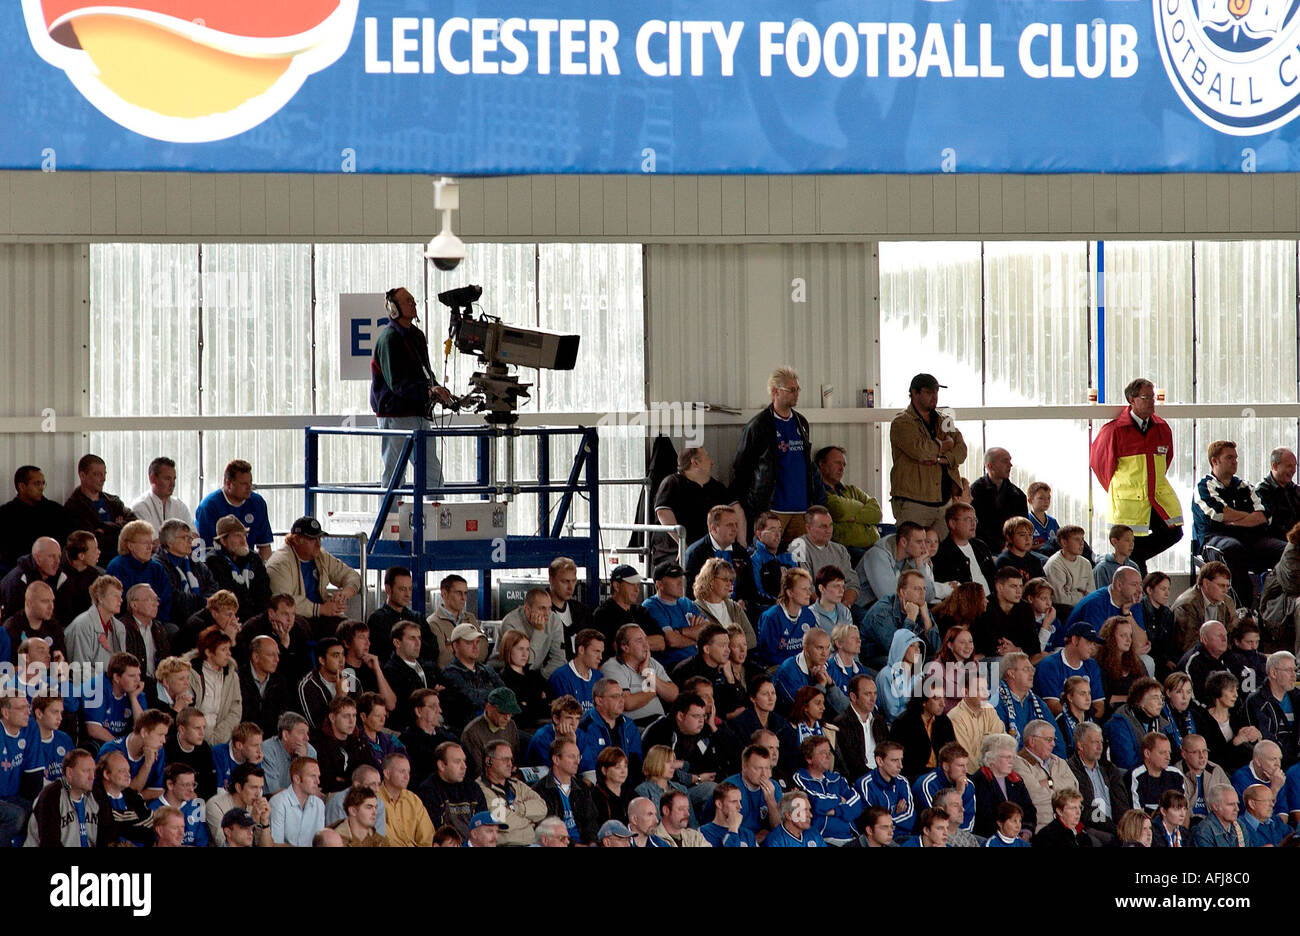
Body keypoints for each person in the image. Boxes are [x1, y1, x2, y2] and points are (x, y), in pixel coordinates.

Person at [1089, 377, 1184, 573]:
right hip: (1128, 502)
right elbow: (1100, 465)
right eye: (1145, 397)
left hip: (1155, 497)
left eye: (1152, 397)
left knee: (1174, 532)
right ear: (1132, 400)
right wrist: (1122, 487)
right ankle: (1135, 583)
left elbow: (1166, 460)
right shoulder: (1114, 431)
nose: (1151, 402)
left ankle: (1132, 557)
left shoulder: (1161, 427)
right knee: (1133, 551)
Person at [731, 366, 825, 550]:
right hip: (773, 508)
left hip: (800, 508)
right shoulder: (759, 426)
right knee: (768, 557)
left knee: (798, 559)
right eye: (791, 390)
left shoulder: (801, 422)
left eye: (798, 389)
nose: (796, 394)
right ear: (775, 392)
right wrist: (753, 507)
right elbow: (741, 468)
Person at [370, 285, 452, 492]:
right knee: (395, 474)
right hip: (396, 414)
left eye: (413, 300)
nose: (413, 304)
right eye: (407, 301)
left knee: (431, 472)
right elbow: (396, 383)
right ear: (393, 308)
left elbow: (426, 371)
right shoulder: (389, 339)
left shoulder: (416, 335)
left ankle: (436, 520)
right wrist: (428, 392)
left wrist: (437, 389)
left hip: (419, 412)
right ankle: (389, 521)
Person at [1193, 439, 1285, 608]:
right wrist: (1246, 517)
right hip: (1215, 539)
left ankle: (1276, 604)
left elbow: (1264, 515)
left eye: (1236, 458)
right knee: (1233, 550)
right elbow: (1219, 513)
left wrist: (1234, 522)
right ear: (1215, 461)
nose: (1235, 462)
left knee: (1287, 549)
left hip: (1250, 539)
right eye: (1229, 458)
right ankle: (1242, 609)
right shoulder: (1204, 487)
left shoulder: (1244, 486)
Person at [890, 373, 967, 535]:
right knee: (911, 550)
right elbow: (921, 450)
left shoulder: (944, 421)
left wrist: (941, 459)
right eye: (929, 392)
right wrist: (944, 445)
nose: (935, 397)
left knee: (940, 554)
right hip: (913, 502)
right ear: (915, 393)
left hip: (944, 502)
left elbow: (961, 450)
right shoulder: (902, 422)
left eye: (937, 392)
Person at [265, 516, 360, 640]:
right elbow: (282, 601)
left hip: (321, 615)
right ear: (297, 539)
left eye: (319, 538)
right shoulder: (280, 562)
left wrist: (345, 593)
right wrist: (320, 609)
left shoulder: (321, 556)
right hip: (295, 617)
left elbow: (351, 575)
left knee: (351, 630)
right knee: (302, 629)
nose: (318, 543)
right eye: (312, 539)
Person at [652, 446, 741, 565]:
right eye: (707, 458)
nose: (712, 462)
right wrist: (682, 544)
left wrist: (741, 543)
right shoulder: (672, 482)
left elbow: (737, 510)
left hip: (709, 553)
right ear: (695, 462)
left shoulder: (716, 487)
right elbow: (663, 512)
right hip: (673, 553)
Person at [599, 623, 677, 728]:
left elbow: (673, 694)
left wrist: (649, 674)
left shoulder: (651, 663)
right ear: (625, 647)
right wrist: (654, 690)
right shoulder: (612, 666)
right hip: (634, 726)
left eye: (645, 639)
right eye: (639, 641)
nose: (646, 645)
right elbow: (627, 703)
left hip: (659, 722)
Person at [194, 459, 273, 560]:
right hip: (217, 565)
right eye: (243, 484)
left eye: (250, 482)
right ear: (228, 483)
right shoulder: (209, 506)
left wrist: (264, 570)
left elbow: (265, 546)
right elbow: (206, 551)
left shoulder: (257, 503)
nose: (249, 487)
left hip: (247, 566)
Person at [862, 569, 939, 671]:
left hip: (908, 656)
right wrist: (910, 618)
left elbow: (938, 649)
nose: (922, 593)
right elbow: (898, 651)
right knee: (907, 666)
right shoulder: (881, 612)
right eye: (917, 589)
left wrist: (926, 618)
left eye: (924, 588)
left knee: (939, 664)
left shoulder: (920, 606)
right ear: (902, 592)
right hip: (877, 657)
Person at [64, 454, 137, 558]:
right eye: (97, 474)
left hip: (122, 558)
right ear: (82, 476)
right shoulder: (74, 506)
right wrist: (119, 527)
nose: (103, 479)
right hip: (96, 561)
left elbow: (134, 524)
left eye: (104, 474)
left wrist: (105, 528)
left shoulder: (114, 501)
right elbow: (91, 540)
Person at [1012, 718, 1078, 833]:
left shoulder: (1059, 762)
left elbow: (1075, 789)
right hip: (1040, 829)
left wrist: (1049, 782)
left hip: (1068, 828)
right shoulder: (1018, 763)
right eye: (1048, 740)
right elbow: (1033, 795)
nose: (1053, 744)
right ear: (1032, 741)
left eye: (1054, 739)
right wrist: (1062, 793)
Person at [0, 466, 71, 571]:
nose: (41, 487)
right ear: (22, 487)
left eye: (43, 483)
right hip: (20, 569)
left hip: (55, 567)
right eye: (37, 483)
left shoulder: (55, 511)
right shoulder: (6, 514)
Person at [440, 622, 505, 734]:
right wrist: (492, 693)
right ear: (455, 645)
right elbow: (473, 700)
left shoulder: (487, 669)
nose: (475, 647)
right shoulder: (450, 674)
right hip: (467, 731)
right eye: (469, 642)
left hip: (495, 726)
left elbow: (505, 695)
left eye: (477, 642)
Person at [25, 748, 98, 847]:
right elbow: (49, 843)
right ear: (69, 773)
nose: (92, 777)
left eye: (93, 771)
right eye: (86, 771)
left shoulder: (96, 796)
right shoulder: (51, 796)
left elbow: (106, 836)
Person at [204, 515, 271, 624]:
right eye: (237, 536)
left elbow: (265, 591)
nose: (243, 540)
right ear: (223, 540)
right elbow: (227, 595)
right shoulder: (213, 561)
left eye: (244, 535)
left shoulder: (253, 558)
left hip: (258, 618)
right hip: (232, 619)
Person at [642, 560, 708, 670]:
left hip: (695, 660)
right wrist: (696, 637)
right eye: (674, 578)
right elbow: (672, 641)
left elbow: (708, 632)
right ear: (659, 585)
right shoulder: (651, 606)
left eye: (680, 577)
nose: (680, 582)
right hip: (671, 666)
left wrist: (680, 632)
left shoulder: (685, 602)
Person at [1066, 721, 1126, 839]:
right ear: (1080, 745)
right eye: (1094, 742)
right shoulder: (1070, 769)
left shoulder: (1109, 769)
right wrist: (1114, 829)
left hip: (1115, 826)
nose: (1100, 747)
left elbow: (1121, 803)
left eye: (1101, 742)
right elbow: (1086, 809)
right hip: (1089, 826)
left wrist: (1124, 825)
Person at [792, 506, 863, 606]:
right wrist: (827, 609)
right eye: (823, 527)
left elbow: (852, 583)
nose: (828, 530)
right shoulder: (798, 548)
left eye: (830, 525)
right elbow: (806, 588)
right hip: (814, 608)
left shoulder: (840, 550)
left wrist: (846, 604)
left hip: (842, 606)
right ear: (808, 528)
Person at [415, 741, 487, 839]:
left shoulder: (473, 788)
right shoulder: (428, 791)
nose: (464, 767)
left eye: (464, 761)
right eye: (457, 762)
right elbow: (434, 834)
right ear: (441, 765)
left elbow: (484, 824)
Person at [817, 445, 881, 553]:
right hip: (846, 551)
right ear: (822, 464)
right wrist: (863, 510)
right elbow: (839, 508)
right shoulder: (820, 493)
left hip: (874, 546)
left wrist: (854, 517)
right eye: (837, 463)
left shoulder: (852, 490)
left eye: (843, 465)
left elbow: (877, 513)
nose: (842, 468)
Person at [102, 522, 172, 620]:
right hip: (126, 624)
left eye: (151, 543)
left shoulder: (157, 568)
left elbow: (165, 601)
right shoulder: (117, 567)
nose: (149, 548)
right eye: (145, 543)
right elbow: (119, 604)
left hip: (157, 623)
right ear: (130, 546)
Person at [576, 678, 643, 781]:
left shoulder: (629, 725)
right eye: (615, 697)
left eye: (622, 696)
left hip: (625, 787)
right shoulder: (585, 726)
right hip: (599, 788)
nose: (621, 700)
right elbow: (589, 769)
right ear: (599, 700)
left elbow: (636, 764)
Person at [683, 505, 753, 604]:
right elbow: (690, 594)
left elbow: (750, 589)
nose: (735, 529)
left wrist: (743, 601)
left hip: (737, 610)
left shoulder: (741, 552)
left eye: (736, 524)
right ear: (713, 528)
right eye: (729, 525)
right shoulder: (695, 553)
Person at [536, 737, 599, 845]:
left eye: (578, 757)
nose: (577, 761)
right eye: (571, 757)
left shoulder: (582, 788)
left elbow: (591, 821)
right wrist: (574, 845)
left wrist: (592, 842)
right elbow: (547, 828)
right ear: (556, 759)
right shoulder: (540, 790)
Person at [1107, 677, 1180, 770]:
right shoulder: (1120, 723)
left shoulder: (1163, 724)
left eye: (1161, 698)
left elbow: (1171, 758)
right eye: (1155, 698)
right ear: (1139, 702)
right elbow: (1126, 762)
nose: (1160, 703)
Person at [773, 628, 850, 717]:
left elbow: (846, 709)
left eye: (827, 648)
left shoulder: (828, 667)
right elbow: (803, 712)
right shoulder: (788, 671)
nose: (824, 654)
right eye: (820, 648)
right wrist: (820, 684)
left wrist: (831, 685)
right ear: (805, 648)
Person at [1191, 671, 1258, 773]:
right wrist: (1235, 742)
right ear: (1218, 691)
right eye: (1231, 691)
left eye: (1236, 690)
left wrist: (1257, 737)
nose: (1236, 695)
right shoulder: (1203, 721)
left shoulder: (1238, 717)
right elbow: (1212, 757)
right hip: (1218, 773)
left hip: (1243, 770)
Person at [971, 733, 1036, 838]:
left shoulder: (1016, 779)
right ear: (991, 758)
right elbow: (984, 818)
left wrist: (1026, 832)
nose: (1011, 762)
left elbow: (1029, 809)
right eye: (1007, 757)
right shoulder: (980, 780)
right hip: (990, 838)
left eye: (1013, 757)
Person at [155, 520, 216, 630]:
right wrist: (204, 602)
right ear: (169, 542)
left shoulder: (195, 562)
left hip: (202, 613)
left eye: (190, 538)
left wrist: (208, 601)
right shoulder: (158, 564)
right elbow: (173, 597)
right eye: (185, 538)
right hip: (174, 618)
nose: (190, 542)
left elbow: (212, 585)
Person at [757, 566, 822, 668]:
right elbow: (768, 657)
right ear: (790, 592)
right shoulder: (771, 617)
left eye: (809, 589)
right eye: (804, 589)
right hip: (778, 668)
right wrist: (797, 665)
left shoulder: (808, 615)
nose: (809, 593)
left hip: (803, 666)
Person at [381, 622, 439, 733]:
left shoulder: (427, 667)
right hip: (408, 731)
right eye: (412, 638)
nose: (418, 643)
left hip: (431, 725)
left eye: (419, 638)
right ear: (397, 642)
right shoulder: (391, 671)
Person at [187, 626, 242, 745]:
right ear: (208, 652)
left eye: (229, 649)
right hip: (194, 736)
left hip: (223, 737)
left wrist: (220, 735)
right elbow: (188, 709)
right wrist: (203, 733)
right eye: (223, 649)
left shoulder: (232, 677)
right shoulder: (190, 674)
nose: (229, 653)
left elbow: (235, 710)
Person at [1245, 650, 1300, 767]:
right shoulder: (1257, 701)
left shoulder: (1297, 697)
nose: (1293, 675)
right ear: (1273, 673)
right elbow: (1264, 739)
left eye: (1294, 670)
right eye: (1288, 670)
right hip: (1273, 764)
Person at [81, 651, 148, 746]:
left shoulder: (136, 691)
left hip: (122, 743)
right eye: (132, 676)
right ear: (116, 677)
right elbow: (94, 729)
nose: (137, 680)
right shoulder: (96, 687)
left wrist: (133, 698)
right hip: (101, 744)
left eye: (139, 675)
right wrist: (120, 746)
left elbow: (143, 729)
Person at [1171, 561, 1238, 655]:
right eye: (1221, 585)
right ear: (1206, 583)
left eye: (1227, 586)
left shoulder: (1227, 601)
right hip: (1194, 656)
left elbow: (1234, 633)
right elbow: (1188, 645)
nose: (1225, 591)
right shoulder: (1187, 605)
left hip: (1218, 653)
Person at [969, 447, 1028, 554]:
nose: (1010, 465)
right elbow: (975, 527)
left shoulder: (1018, 495)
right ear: (989, 466)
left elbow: (1023, 527)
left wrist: (1013, 545)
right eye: (1005, 461)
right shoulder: (975, 492)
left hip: (1013, 548)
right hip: (983, 550)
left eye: (1010, 461)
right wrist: (1000, 546)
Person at [971, 567, 1038, 660]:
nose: (1019, 591)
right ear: (999, 587)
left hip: (1020, 656)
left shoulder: (1026, 608)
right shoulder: (984, 607)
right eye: (1014, 586)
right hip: (992, 658)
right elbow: (980, 644)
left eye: (1021, 586)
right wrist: (1000, 650)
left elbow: (1034, 645)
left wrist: (1016, 649)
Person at [891, 687, 958, 780]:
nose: (943, 704)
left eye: (944, 698)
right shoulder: (903, 724)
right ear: (924, 702)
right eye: (937, 699)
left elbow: (952, 751)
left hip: (942, 775)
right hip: (914, 777)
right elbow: (901, 762)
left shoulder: (944, 721)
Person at [693, 558, 757, 655]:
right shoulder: (696, 609)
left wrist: (725, 646)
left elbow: (752, 639)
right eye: (725, 580)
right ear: (711, 581)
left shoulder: (735, 608)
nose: (729, 584)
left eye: (731, 580)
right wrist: (735, 644)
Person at [90, 749, 153, 846]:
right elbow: (105, 832)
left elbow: (150, 827)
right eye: (122, 771)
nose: (128, 775)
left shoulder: (133, 797)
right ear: (107, 774)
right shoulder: (94, 797)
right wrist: (132, 826)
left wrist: (121, 826)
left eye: (128, 770)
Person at [832, 674, 888, 781]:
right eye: (867, 694)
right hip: (859, 779)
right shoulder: (841, 723)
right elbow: (851, 763)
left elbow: (887, 752)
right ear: (853, 697)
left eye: (875, 694)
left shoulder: (879, 721)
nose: (873, 699)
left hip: (882, 775)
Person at [856, 740, 914, 841]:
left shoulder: (902, 781)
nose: (901, 766)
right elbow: (872, 823)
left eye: (901, 760)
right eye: (894, 760)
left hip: (904, 837)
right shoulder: (865, 784)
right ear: (880, 761)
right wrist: (897, 815)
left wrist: (886, 820)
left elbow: (910, 818)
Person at [932, 503, 995, 595]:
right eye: (968, 520)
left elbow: (994, 576)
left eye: (975, 519)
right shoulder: (941, 553)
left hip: (991, 604)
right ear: (952, 524)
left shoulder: (981, 547)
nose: (973, 524)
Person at [204, 762, 271, 847]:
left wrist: (265, 822)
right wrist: (251, 820)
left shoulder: (254, 805)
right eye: (253, 787)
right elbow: (224, 845)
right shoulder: (216, 805)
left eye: (260, 788)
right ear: (238, 787)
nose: (258, 794)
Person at [427, 574, 486, 670]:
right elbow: (442, 658)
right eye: (459, 593)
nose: (463, 598)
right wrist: (470, 653)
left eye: (465, 593)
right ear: (444, 594)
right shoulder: (433, 623)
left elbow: (483, 649)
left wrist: (453, 648)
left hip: (475, 674)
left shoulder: (470, 618)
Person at [398, 690, 457, 788]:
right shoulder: (407, 741)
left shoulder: (449, 737)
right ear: (418, 711)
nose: (439, 710)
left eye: (439, 706)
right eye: (434, 707)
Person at [312, 695, 367, 796]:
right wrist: (351, 782)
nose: (352, 721)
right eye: (346, 716)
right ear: (332, 718)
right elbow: (326, 781)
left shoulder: (359, 740)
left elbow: (367, 771)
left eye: (354, 715)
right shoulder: (319, 742)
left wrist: (345, 781)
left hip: (356, 794)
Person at [0, 536, 64, 620]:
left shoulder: (60, 577)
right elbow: (12, 620)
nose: (57, 562)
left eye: (59, 557)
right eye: (51, 556)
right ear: (37, 558)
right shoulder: (17, 581)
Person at [2, 581, 65, 665]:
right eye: (45, 601)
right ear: (29, 603)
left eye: (52, 601)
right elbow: (6, 670)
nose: (51, 607)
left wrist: (60, 664)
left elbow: (63, 662)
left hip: (49, 677)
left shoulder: (54, 626)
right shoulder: (12, 628)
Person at [147, 762, 209, 847]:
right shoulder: (152, 810)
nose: (191, 789)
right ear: (170, 784)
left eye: (193, 784)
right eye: (186, 785)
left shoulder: (195, 807)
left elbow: (202, 842)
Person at [749, 511, 800, 611]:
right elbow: (756, 593)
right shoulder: (753, 558)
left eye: (779, 530)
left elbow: (798, 585)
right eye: (772, 530)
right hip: (767, 609)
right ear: (759, 534)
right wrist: (780, 602)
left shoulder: (788, 555)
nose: (778, 535)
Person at [1178, 733, 1230, 826]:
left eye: (1204, 751)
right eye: (1195, 752)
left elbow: (1229, 799)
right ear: (1184, 754)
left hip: (1216, 824)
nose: (1202, 756)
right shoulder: (1177, 773)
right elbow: (1179, 808)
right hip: (1190, 825)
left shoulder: (1215, 770)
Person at [547, 628, 605, 712]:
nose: (600, 657)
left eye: (601, 652)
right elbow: (566, 716)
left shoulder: (599, 677)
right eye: (596, 651)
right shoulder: (561, 677)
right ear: (581, 650)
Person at [164, 707, 217, 798]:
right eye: (197, 728)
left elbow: (210, 784)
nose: (202, 733)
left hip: (198, 801)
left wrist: (197, 796)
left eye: (204, 727)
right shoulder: (167, 747)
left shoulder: (204, 748)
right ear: (182, 730)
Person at [53, 530, 103, 626]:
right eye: (94, 550)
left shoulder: (95, 574)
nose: (99, 552)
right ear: (81, 556)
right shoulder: (58, 577)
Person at [1097, 616, 1145, 713]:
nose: (1129, 640)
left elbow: (1146, 686)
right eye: (1123, 635)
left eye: (1130, 635)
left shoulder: (1136, 662)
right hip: (1113, 713)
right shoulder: (1100, 664)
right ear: (1111, 637)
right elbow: (1105, 698)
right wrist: (1131, 699)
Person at [1127, 732, 1185, 812]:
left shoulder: (1176, 774)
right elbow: (1138, 816)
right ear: (1147, 753)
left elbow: (1183, 812)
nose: (1168, 758)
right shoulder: (1136, 775)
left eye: (1169, 753)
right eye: (1162, 753)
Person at [1179, 620, 1231, 706]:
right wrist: (1212, 716)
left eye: (1225, 635)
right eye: (1219, 635)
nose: (1224, 639)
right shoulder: (1192, 662)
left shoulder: (1228, 658)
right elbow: (1191, 699)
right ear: (1204, 639)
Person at [1044, 525, 1094, 610]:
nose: (1082, 543)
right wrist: (1082, 594)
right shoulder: (1055, 564)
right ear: (1064, 542)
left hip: (1085, 608)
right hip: (1063, 611)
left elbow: (1091, 595)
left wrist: (1072, 594)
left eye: (1082, 539)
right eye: (1077, 539)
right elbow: (1060, 599)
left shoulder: (1086, 563)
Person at [1140, 572, 1179, 678]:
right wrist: (1165, 661)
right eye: (1163, 589)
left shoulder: (1167, 613)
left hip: (1164, 661)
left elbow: (1170, 642)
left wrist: (1169, 659)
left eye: (1168, 589)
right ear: (1149, 590)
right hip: (1147, 658)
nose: (1167, 593)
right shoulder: (1139, 610)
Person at [1257, 447, 1300, 541]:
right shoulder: (1262, 491)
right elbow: (1272, 525)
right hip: (1276, 539)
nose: (1293, 470)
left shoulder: (1296, 490)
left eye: (1295, 466)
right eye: (1289, 466)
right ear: (1274, 466)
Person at [1230, 739, 1286, 806]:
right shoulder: (1241, 778)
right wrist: (1274, 789)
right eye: (1273, 759)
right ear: (1258, 761)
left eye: (1279, 759)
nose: (1278, 764)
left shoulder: (1278, 778)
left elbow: (1282, 812)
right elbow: (1256, 813)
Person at [700, 781, 756, 847]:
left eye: (740, 801)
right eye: (733, 801)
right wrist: (733, 830)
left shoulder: (747, 834)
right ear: (719, 804)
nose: (739, 806)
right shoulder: (703, 833)